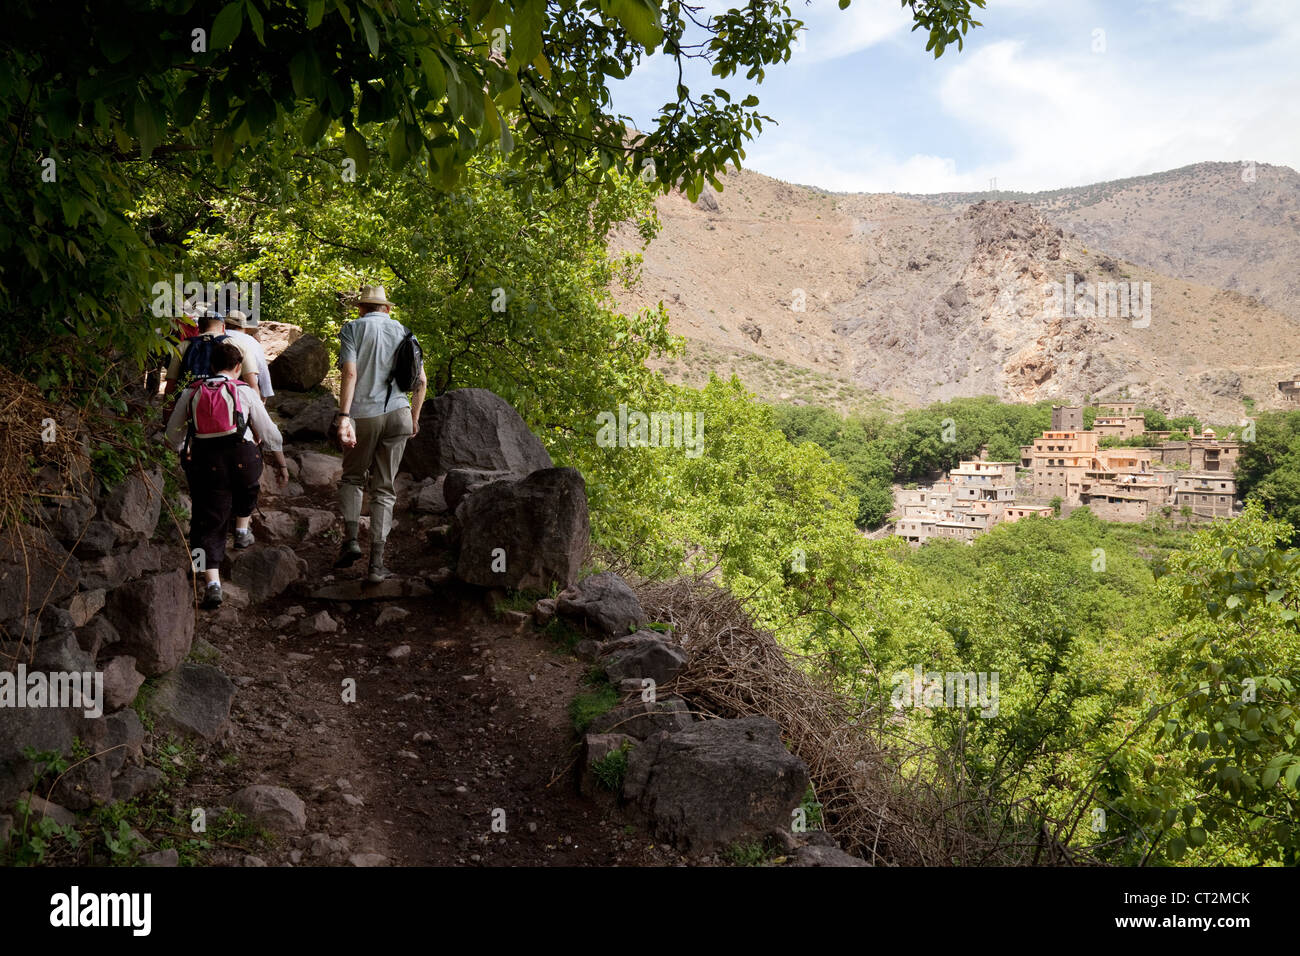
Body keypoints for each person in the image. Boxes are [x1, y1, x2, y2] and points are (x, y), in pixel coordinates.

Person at [165, 341, 289, 609]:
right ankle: (242, 531)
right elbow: (269, 433)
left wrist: (182, 449)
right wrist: (281, 464)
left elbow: (172, 435)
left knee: (205, 518)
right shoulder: (244, 392)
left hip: (206, 462)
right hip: (243, 458)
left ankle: (208, 580)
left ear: (210, 366)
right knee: (248, 487)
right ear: (237, 367)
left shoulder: (192, 392)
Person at [335, 285, 426, 583]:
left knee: (352, 477)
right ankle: (377, 564)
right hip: (399, 414)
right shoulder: (406, 333)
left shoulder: (352, 329)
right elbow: (421, 382)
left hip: (364, 415)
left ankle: (350, 540)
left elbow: (349, 373)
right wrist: (413, 419)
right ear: (387, 309)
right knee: (385, 488)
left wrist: (344, 416)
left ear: (362, 308)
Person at [164, 310, 258, 396]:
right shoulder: (238, 345)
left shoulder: (183, 346)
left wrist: (168, 414)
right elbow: (253, 385)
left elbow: (170, 386)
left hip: (190, 405)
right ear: (223, 327)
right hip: (226, 405)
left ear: (199, 328)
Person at [225, 309, 274, 399]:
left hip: (220, 387)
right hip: (246, 389)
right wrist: (265, 393)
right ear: (244, 327)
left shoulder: (219, 336)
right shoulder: (252, 341)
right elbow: (262, 368)